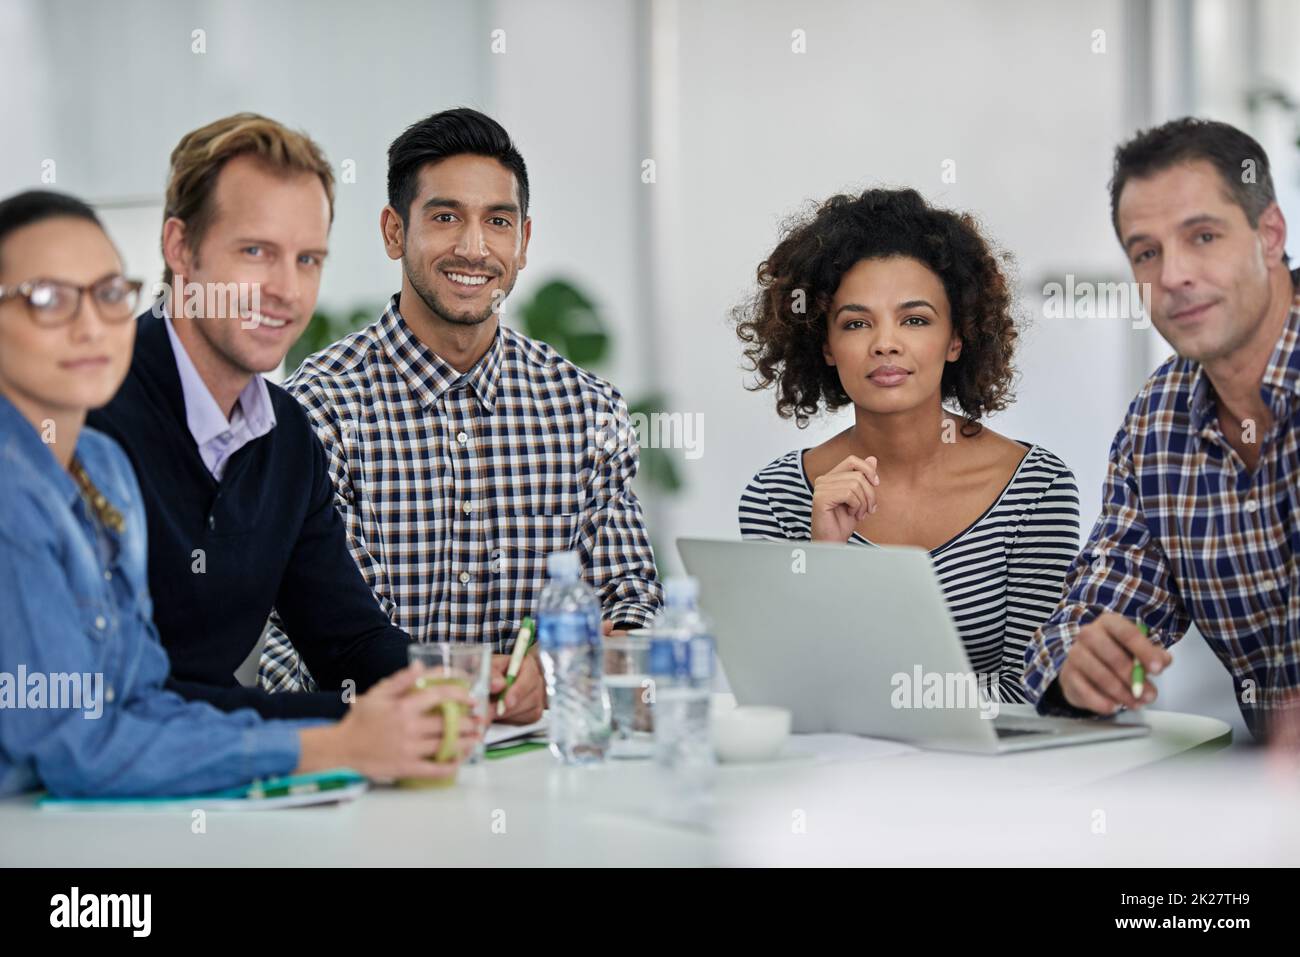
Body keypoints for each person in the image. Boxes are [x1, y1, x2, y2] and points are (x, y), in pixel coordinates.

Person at [0, 189, 478, 796]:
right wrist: (332, 744)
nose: (90, 325)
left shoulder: (99, 466)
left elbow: (142, 699)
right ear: (182, 253)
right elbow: (79, 746)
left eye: (108, 294)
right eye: (47, 299)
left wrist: (407, 710)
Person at [259, 108, 662, 717]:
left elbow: (632, 610)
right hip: (382, 773)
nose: (474, 248)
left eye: (497, 222)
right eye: (445, 217)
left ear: (523, 242)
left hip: (545, 771)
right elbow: (283, 644)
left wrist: (559, 675)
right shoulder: (319, 409)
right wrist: (433, 707)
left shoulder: (588, 410)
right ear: (395, 232)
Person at [87, 114, 416, 720]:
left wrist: (451, 689)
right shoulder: (90, 409)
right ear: (180, 248)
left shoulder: (288, 437)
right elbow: (118, 691)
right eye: (257, 252)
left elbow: (349, 640)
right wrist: (338, 726)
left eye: (308, 259)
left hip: (220, 780)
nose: (287, 291)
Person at [735, 188, 1080, 702]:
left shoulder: (1036, 487)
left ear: (956, 339)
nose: (885, 343)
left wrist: (900, 707)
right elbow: (786, 696)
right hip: (835, 775)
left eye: (915, 319)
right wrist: (825, 557)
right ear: (826, 346)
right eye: (856, 323)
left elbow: (1032, 690)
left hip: (988, 776)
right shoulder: (776, 497)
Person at [1023, 117, 1300, 742]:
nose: (1172, 275)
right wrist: (1080, 665)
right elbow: (1095, 610)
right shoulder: (1158, 421)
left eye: (1202, 236)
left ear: (1270, 235)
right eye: (1147, 252)